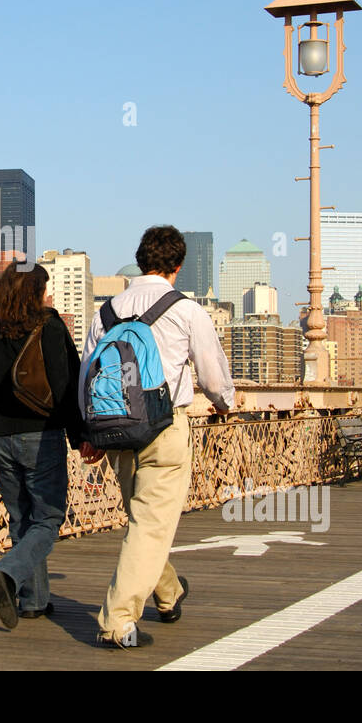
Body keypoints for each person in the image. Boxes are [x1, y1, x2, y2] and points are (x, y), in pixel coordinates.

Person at [79, 226, 234, 649]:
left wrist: (88, 433)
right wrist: (225, 404)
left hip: (117, 430)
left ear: (141, 259)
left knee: (144, 520)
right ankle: (117, 622)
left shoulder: (106, 311)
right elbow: (212, 376)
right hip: (165, 428)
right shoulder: (186, 310)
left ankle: (168, 594)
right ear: (177, 267)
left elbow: (87, 373)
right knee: (150, 523)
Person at [0, 261, 87, 629]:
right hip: (40, 436)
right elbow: (66, 386)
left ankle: (32, 601)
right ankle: (10, 573)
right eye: (45, 288)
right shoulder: (51, 327)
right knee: (48, 518)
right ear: (35, 294)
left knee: (21, 519)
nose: (50, 294)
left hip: (0, 440)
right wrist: (79, 437)